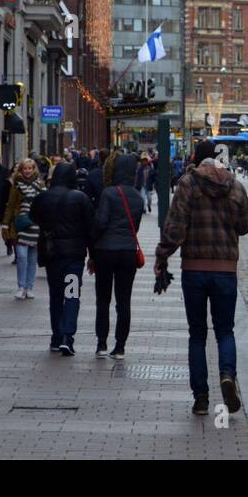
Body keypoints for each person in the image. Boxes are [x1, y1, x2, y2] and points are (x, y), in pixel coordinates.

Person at [156, 140, 248, 417]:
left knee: (197, 334)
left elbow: (176, 225)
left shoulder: (188, 183)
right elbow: (245, 226)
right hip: (225, 270)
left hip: (195, 270)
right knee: (225, 330)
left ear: (197, 159)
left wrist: (162, 255)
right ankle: (227, 375)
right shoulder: (234, 184)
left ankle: (200, 398)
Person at [31, 163, 94, 355]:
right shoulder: (81, 198)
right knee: (72, 295)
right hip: (74, 257)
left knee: (56, 295)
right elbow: (90, 228)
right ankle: (68, 336)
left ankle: (56, 337)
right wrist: (93, 256)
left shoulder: (43, 197)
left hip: (52, 256)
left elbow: (34, 217)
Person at [91, 153, 145, 358]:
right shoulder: (138, 197)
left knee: (102, 299)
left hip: (105, 250)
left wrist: (93, 244)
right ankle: (120, 346)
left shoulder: (109, 193)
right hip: (127, 252)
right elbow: (135, 228)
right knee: (124, 301)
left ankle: (101, 343)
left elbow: (101, 222)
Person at [3, 159, 45, 299]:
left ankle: (29, 287)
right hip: (20, 226)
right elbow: (10, 205)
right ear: (20, 170)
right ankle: (21, 287)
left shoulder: (40, 184)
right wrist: (5, 224)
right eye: (25, 168)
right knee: (21, 256)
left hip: (36, 226)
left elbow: (46, 204)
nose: (27, 171)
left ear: (34, 169)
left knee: (32, 259)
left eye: (30, 168)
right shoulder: (16, 185)